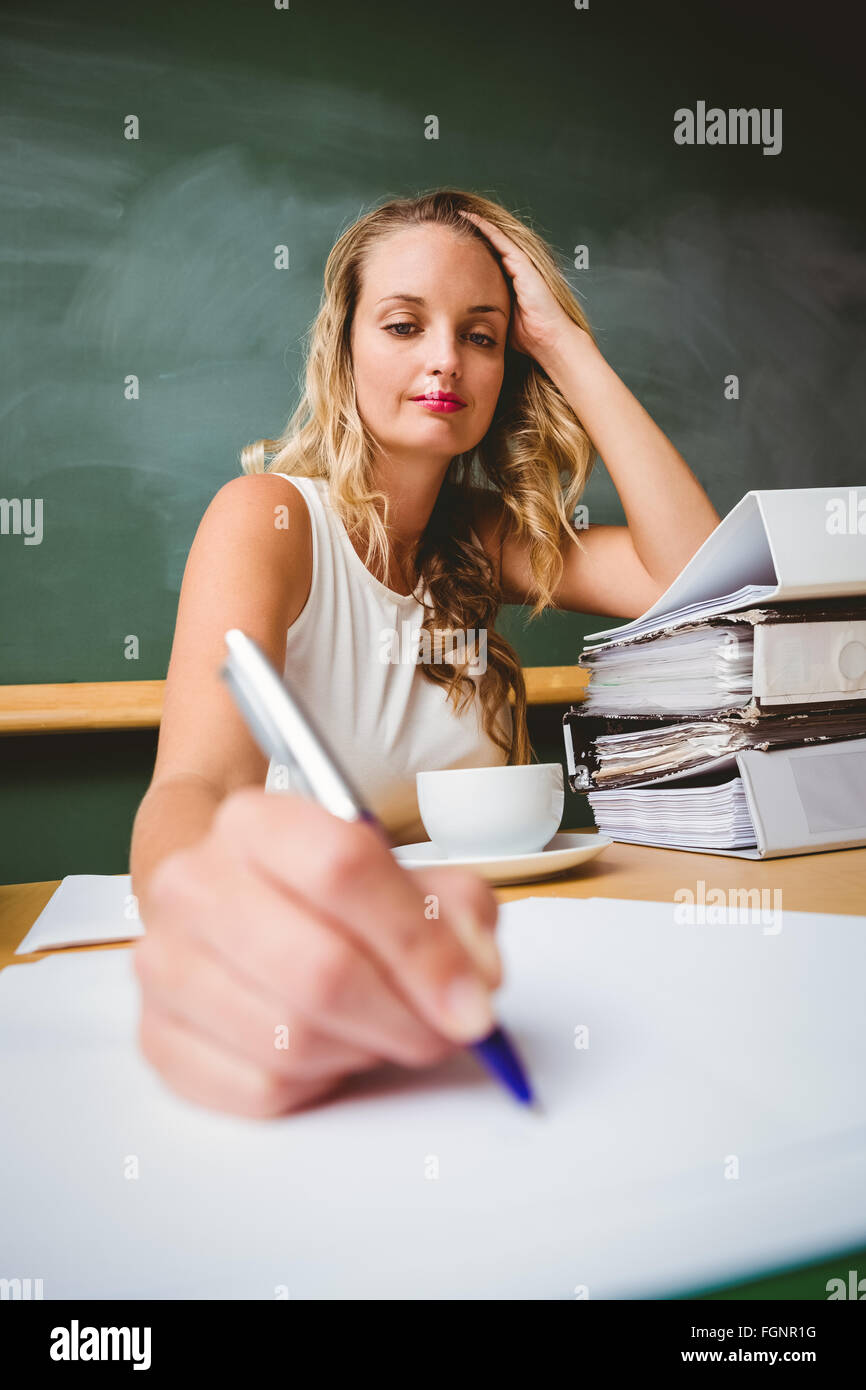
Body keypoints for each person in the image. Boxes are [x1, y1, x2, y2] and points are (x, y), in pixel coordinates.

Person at [129, 189, 721, 1119]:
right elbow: (191, 788)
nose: (446, 359)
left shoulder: (484, 538)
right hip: (331, 969)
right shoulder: (271, 519)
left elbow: (693, 574)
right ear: (344, 345)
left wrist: (568, 345)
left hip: (508, 958)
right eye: (405, 325)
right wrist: (202, 925)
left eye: (482, 336)